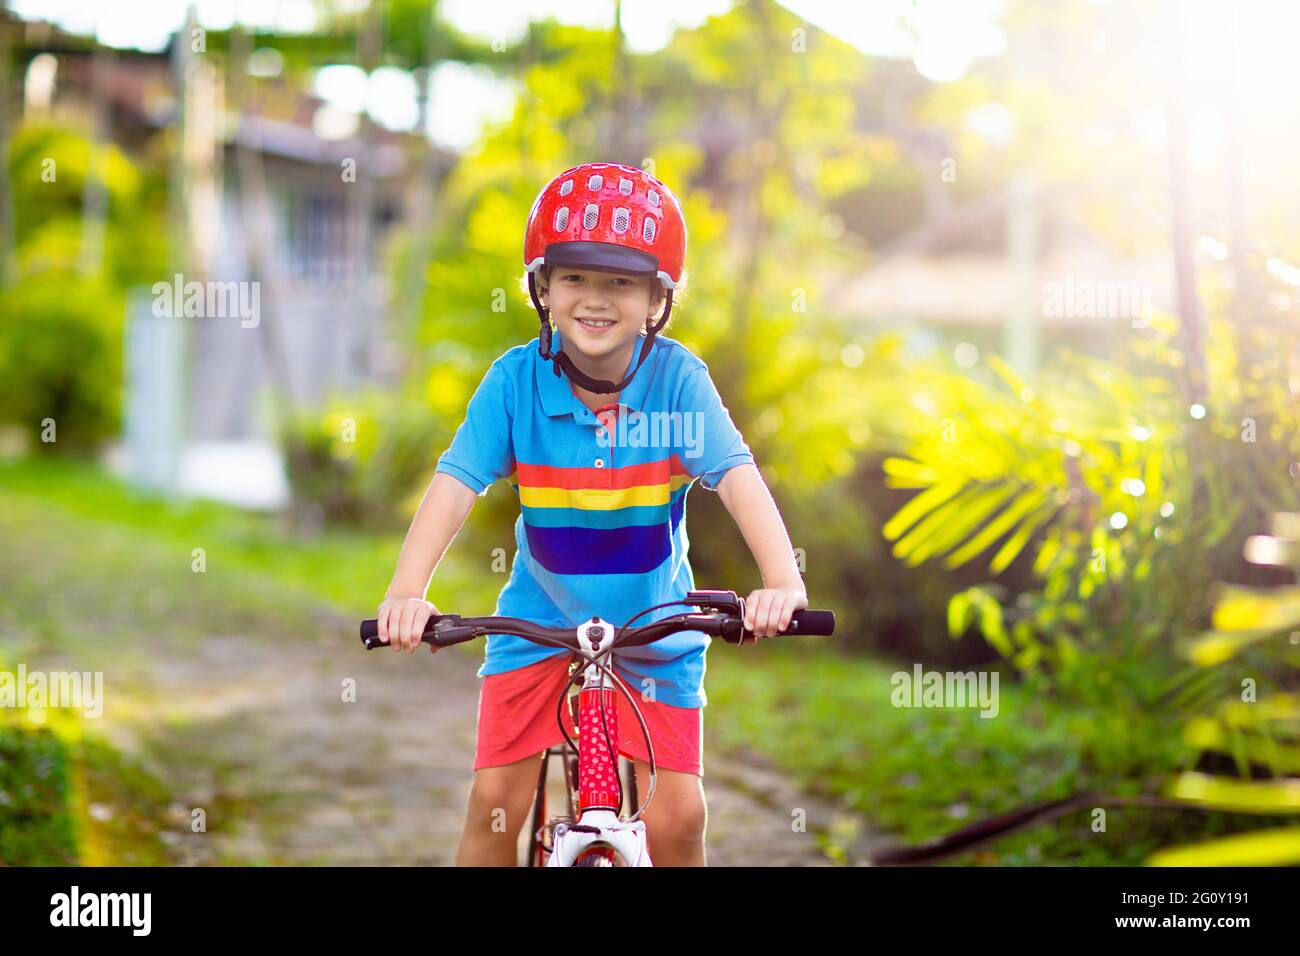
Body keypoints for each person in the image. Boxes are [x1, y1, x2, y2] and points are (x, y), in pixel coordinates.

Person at [375, 162, 808, 866]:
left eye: (621, 282)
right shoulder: (515, 382)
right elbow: (455, 483)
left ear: (656, 299)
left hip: (654, 628)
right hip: (537, 623)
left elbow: (736, 477)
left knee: (679, 817)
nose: (595, 299)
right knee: (494, 806)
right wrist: (406, 593)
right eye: (575, 277)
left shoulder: (677, 383)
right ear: (542, 288)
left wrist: (782, 581)